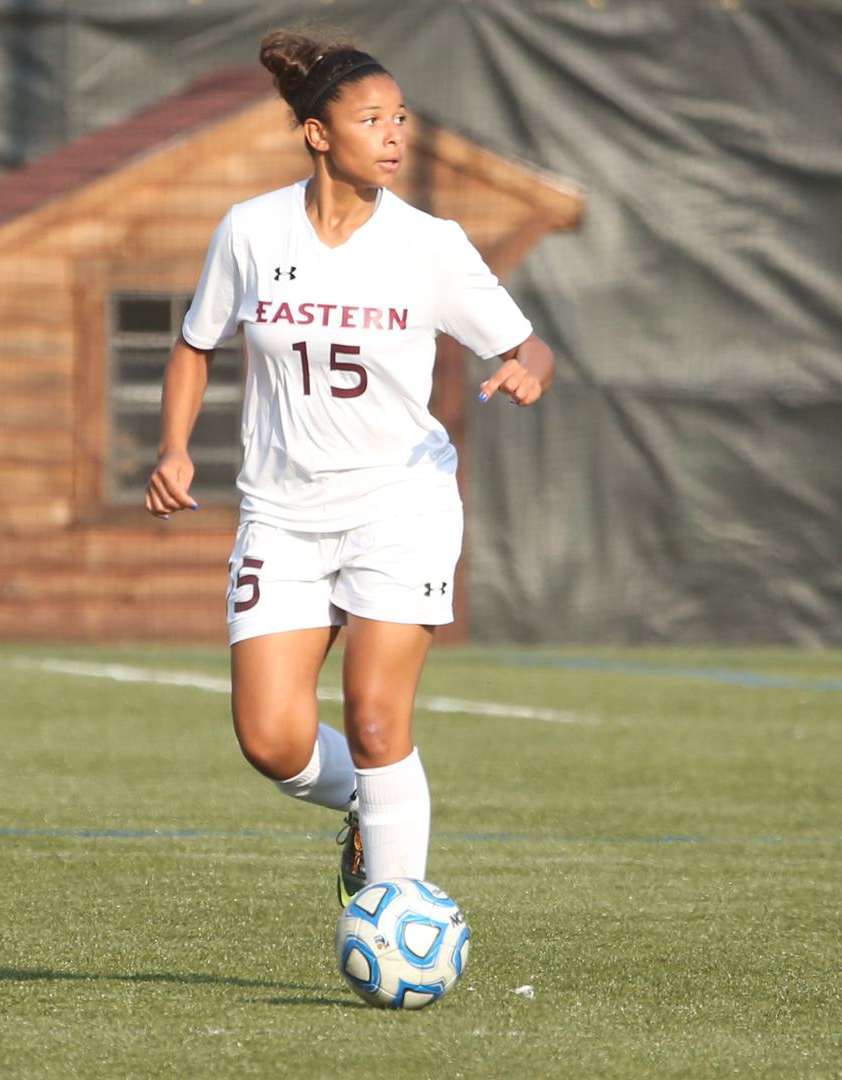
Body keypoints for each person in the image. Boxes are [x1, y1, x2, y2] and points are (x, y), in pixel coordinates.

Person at [144, 30, 555, 904]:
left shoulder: (430, 243)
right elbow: (194, 346)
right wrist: (173, 448)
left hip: (400, 505)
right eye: (371, 119)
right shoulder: (250, 230)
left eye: (400, 117)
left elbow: (531, 347)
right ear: (318, 134)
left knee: (374, 722)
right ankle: (370, 808)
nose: (394, 134)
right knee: (271, 741)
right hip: (282, 515)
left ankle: (398, 915)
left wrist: (527, 371)